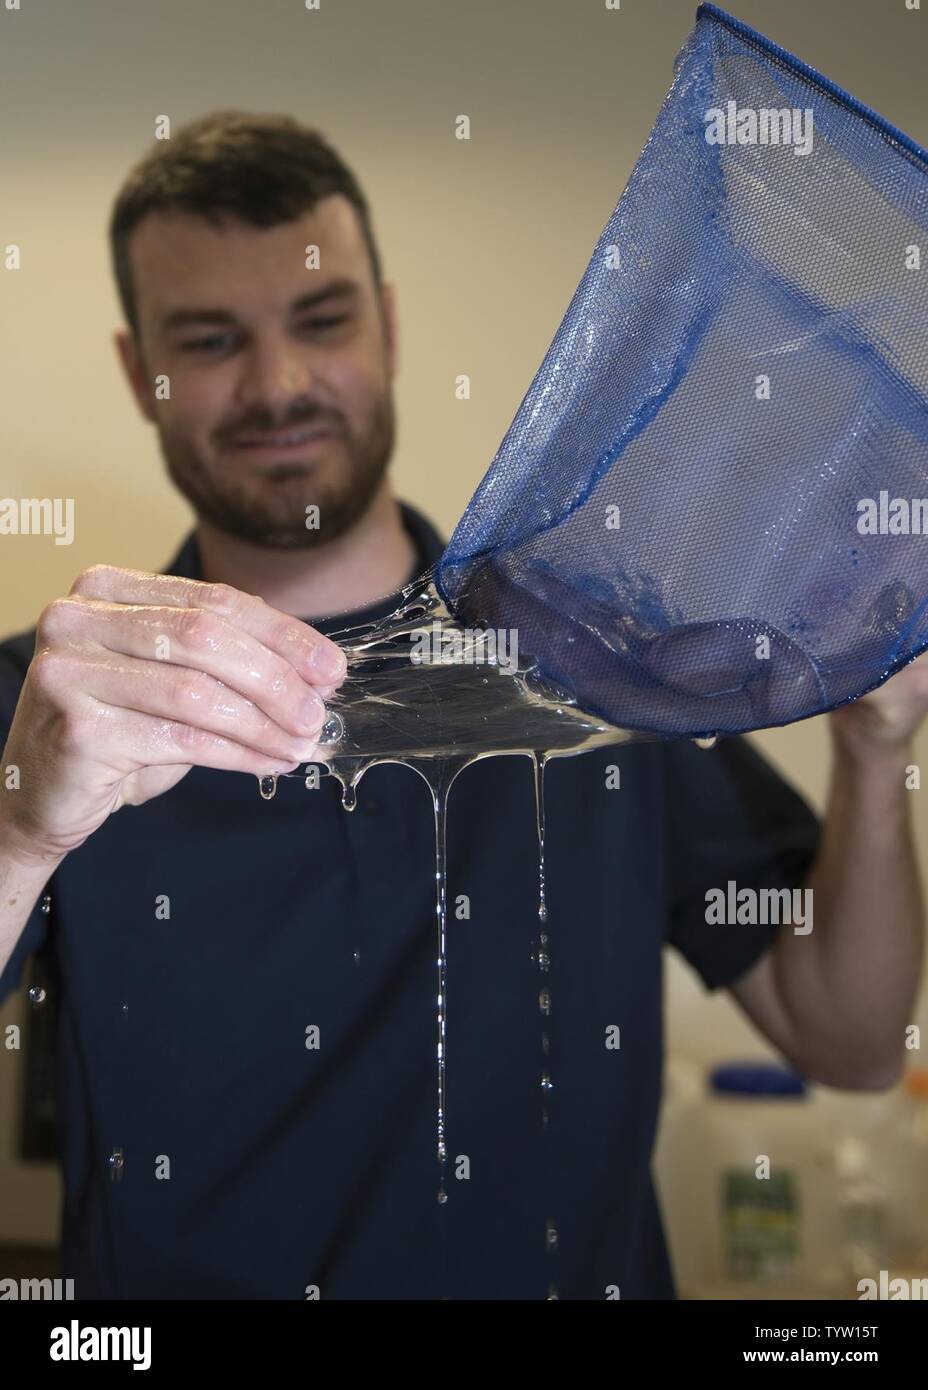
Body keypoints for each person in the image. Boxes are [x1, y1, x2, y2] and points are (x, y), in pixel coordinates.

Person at [0, 112, 924, 1301]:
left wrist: (873, 751)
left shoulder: (599, 650)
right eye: (212, 339)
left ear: (386, 323)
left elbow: (844, 1042)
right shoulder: (55, 705)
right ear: (143, 372)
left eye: (321, 321)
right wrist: (24, 829)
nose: (278, 384)